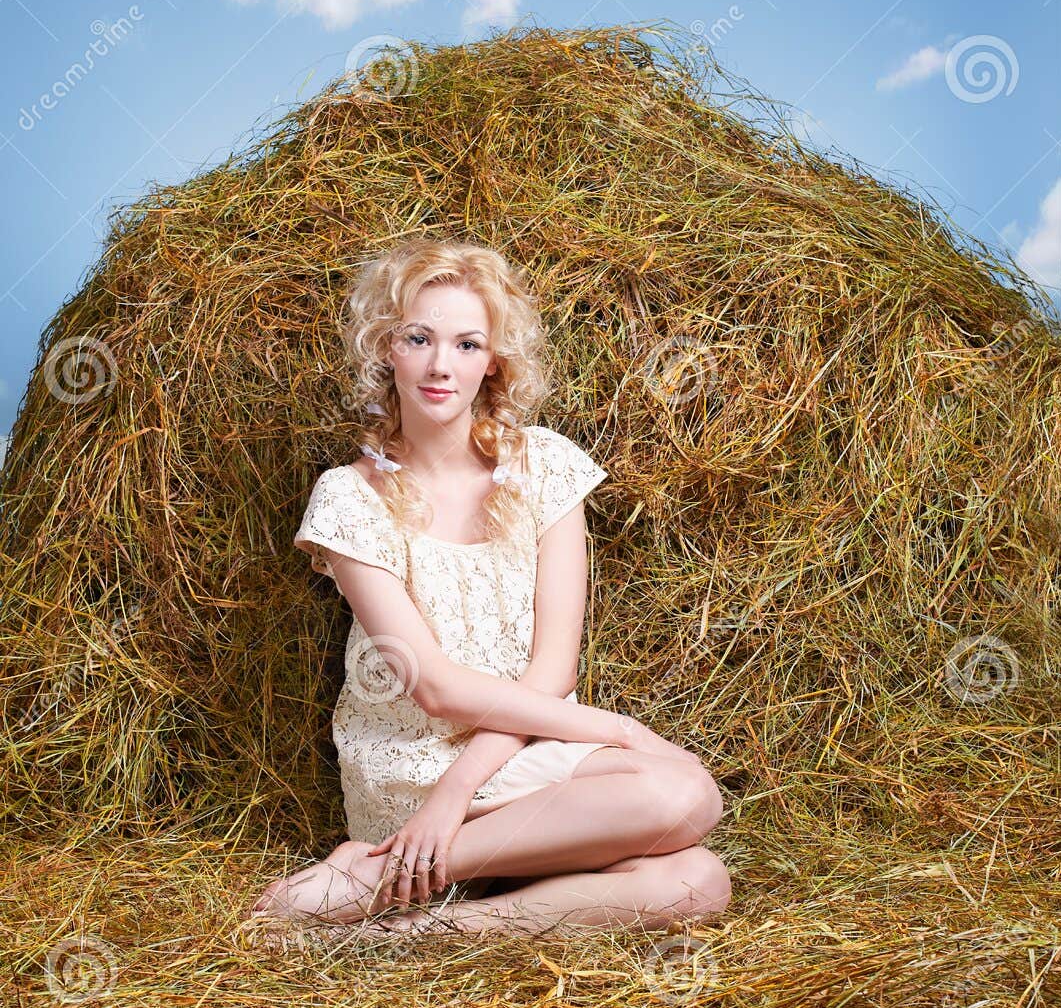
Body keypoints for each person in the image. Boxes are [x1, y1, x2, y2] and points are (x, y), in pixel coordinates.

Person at [249, 237, 730, 940]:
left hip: (523, 751)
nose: (442, 365)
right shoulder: (350, 499)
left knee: (700, 880)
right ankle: (392, 864)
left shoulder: (547, 466)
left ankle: (392, 918)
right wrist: (620, 732)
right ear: (387, 347)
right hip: (413, 770)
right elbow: (436, 689)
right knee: (683, 791)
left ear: (494, 361)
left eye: (468, 345)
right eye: (419, 338)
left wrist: (469, 780)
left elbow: (553, 671)